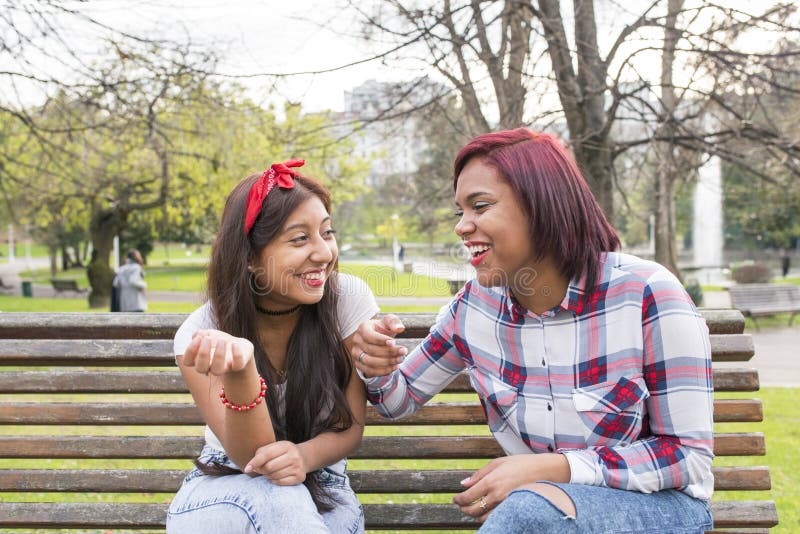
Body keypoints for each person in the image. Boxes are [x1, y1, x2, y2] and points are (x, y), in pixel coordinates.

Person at [351, 129, 714, 533]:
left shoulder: (646, 293)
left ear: (542, 204)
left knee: (531, 510)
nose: (462, 226)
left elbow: (686, 456)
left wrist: (551, 470)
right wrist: (376, 360)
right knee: (534, 511)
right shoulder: (472, 309)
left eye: (480, 206)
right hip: (544, 513)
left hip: (659, 509)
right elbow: (397, 400)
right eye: (460, 212)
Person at [167, 159, 378, 533]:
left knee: (294, 505)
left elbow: (350, 425)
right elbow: (252, 458)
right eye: (300, 239)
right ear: (250, 257)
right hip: (225, 484)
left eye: (327, 233)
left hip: (324, 484)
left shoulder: (347, 300)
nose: (324, 253)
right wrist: (241, 368)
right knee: (284, 501)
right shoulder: (202, 334)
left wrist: (303, 454)